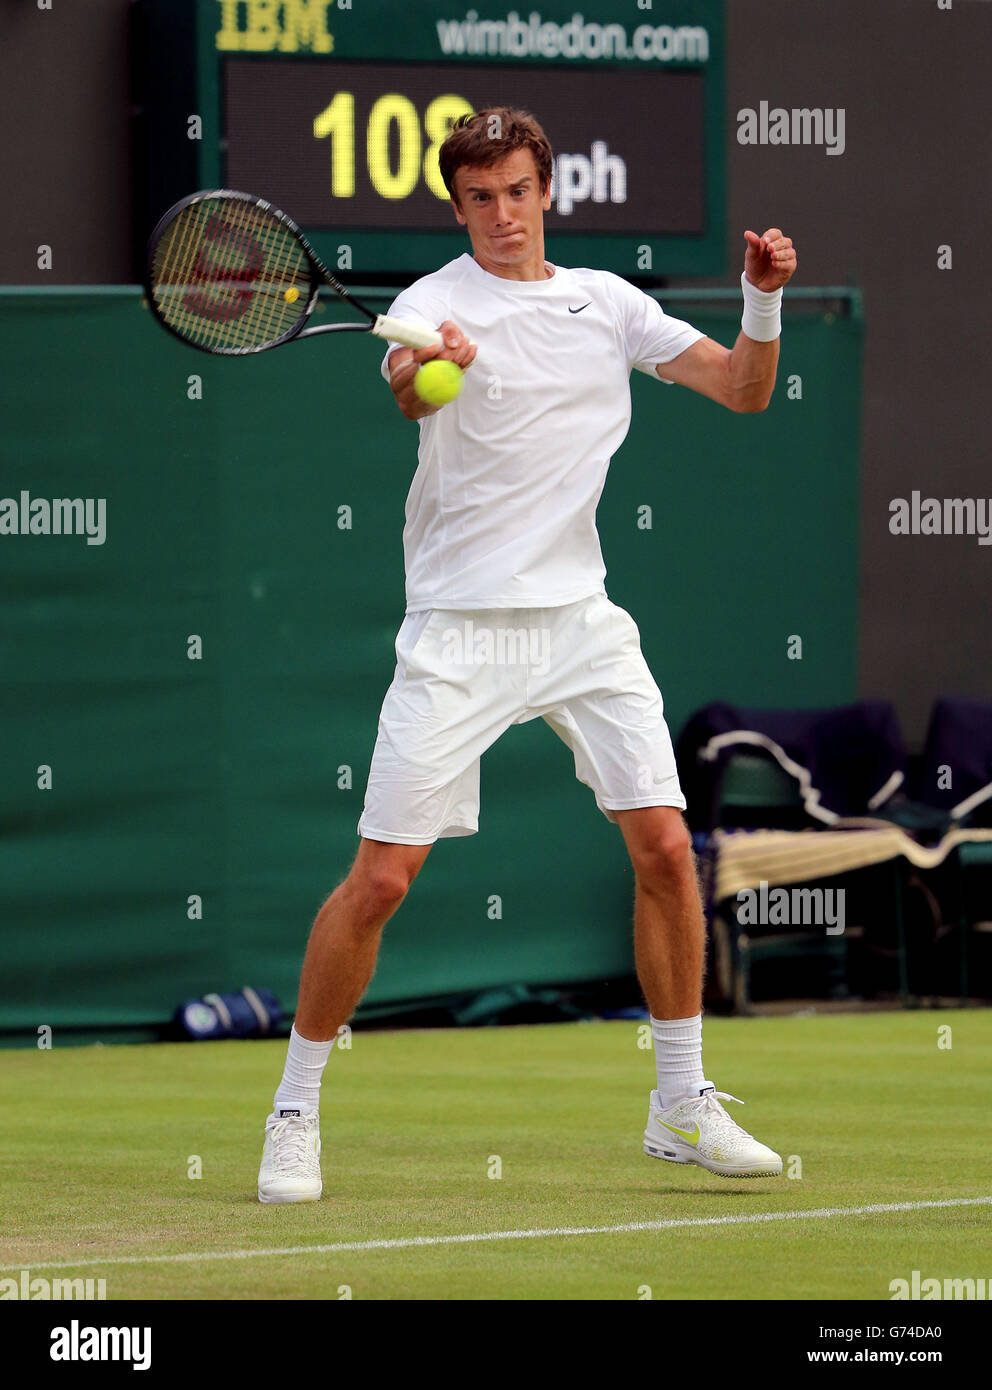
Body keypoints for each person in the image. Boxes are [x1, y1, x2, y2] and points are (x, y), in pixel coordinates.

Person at [258, 107, 797, 1202]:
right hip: (457, 630)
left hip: (579, 624)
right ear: (456, 207)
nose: (500, 215)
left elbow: (744, 387)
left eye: (515, 191)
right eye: (478, 198)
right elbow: (409, 390)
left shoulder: (607, 305)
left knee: (660, 845)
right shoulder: (426, 307)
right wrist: (434, 368)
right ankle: (293, 1108)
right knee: (379, 879)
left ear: (545, 190)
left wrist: (762, 295)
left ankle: (680, 1102)